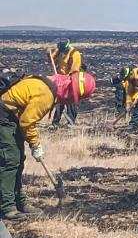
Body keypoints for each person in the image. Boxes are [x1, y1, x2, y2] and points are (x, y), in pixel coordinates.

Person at [1, 71, 97, 219]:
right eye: (73, 97)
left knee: (18, 160)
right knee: (10, 160)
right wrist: (35, 144)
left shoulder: (53, 83)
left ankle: (20, 202)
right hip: (4, 115)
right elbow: (27, 122)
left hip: (13, 117)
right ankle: (7, 207)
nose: (71, 101)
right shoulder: (47, 94)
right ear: (69, 90)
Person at [47, 40, 84, 127]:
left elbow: (74, 69)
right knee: (59, 101)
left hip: (70, 81)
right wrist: (53, 52)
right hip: (60, 80)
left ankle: (71, 122)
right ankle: (56, 122)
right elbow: (52, 59)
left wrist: (66, 79)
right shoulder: (60, 51)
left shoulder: (74, 54)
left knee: (70, 102)